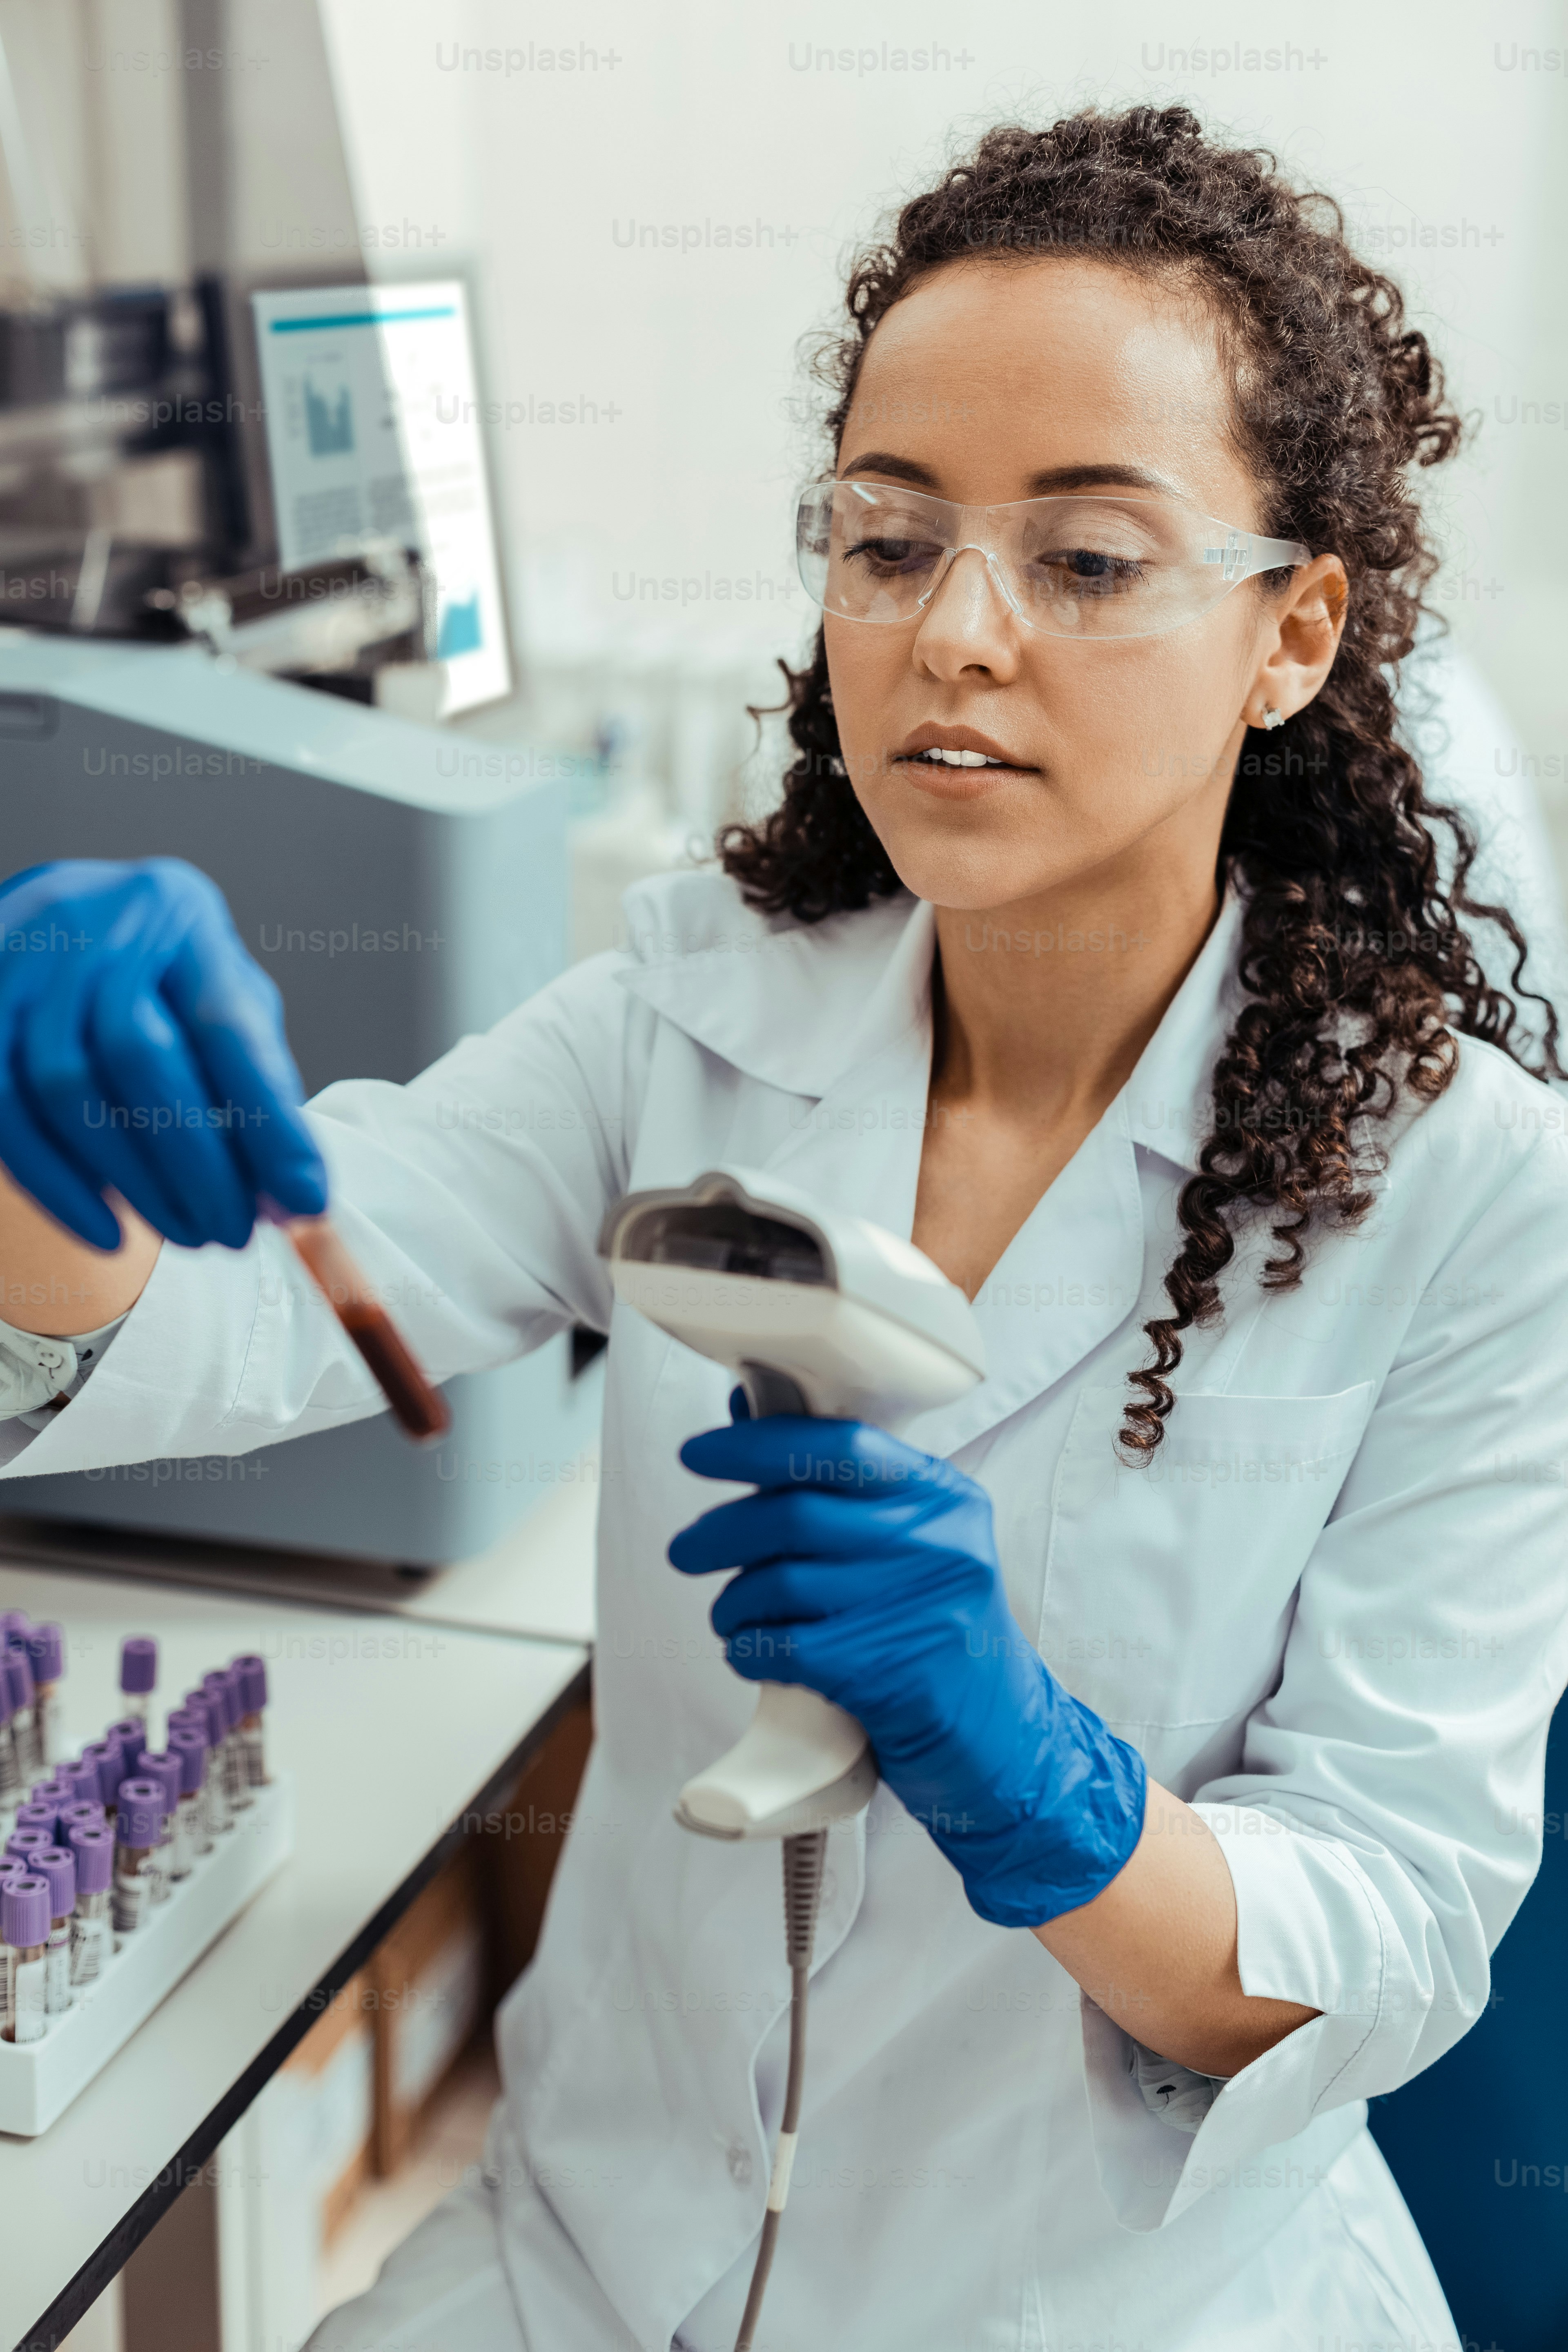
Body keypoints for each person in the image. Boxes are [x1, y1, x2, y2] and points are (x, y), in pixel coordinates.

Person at [0, 104, 1565, 2352]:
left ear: (1295, 633)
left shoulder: (1473, 1193)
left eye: (1091, 560)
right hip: (586, 2269)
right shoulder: (688, 1017)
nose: (959, 635)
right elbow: (253, 1317)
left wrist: (1054, 1796)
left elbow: (1396, 1926)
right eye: (889, 540)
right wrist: (37, 1163)